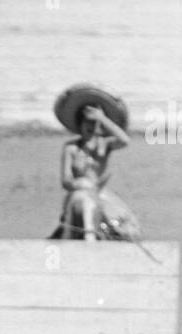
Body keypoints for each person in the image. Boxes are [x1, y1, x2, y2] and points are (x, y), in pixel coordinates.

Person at [50, 84, 133, 240]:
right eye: (88, 121)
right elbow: (66, 180)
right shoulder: (71, 148)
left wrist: (102, 118)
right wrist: (81, 185)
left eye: (95, 123)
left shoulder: (105, 145)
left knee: (119, 228)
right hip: (77, 192)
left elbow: (124, 140)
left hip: (98, 193)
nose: (91, 126)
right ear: (80, 123)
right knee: (74, 210)